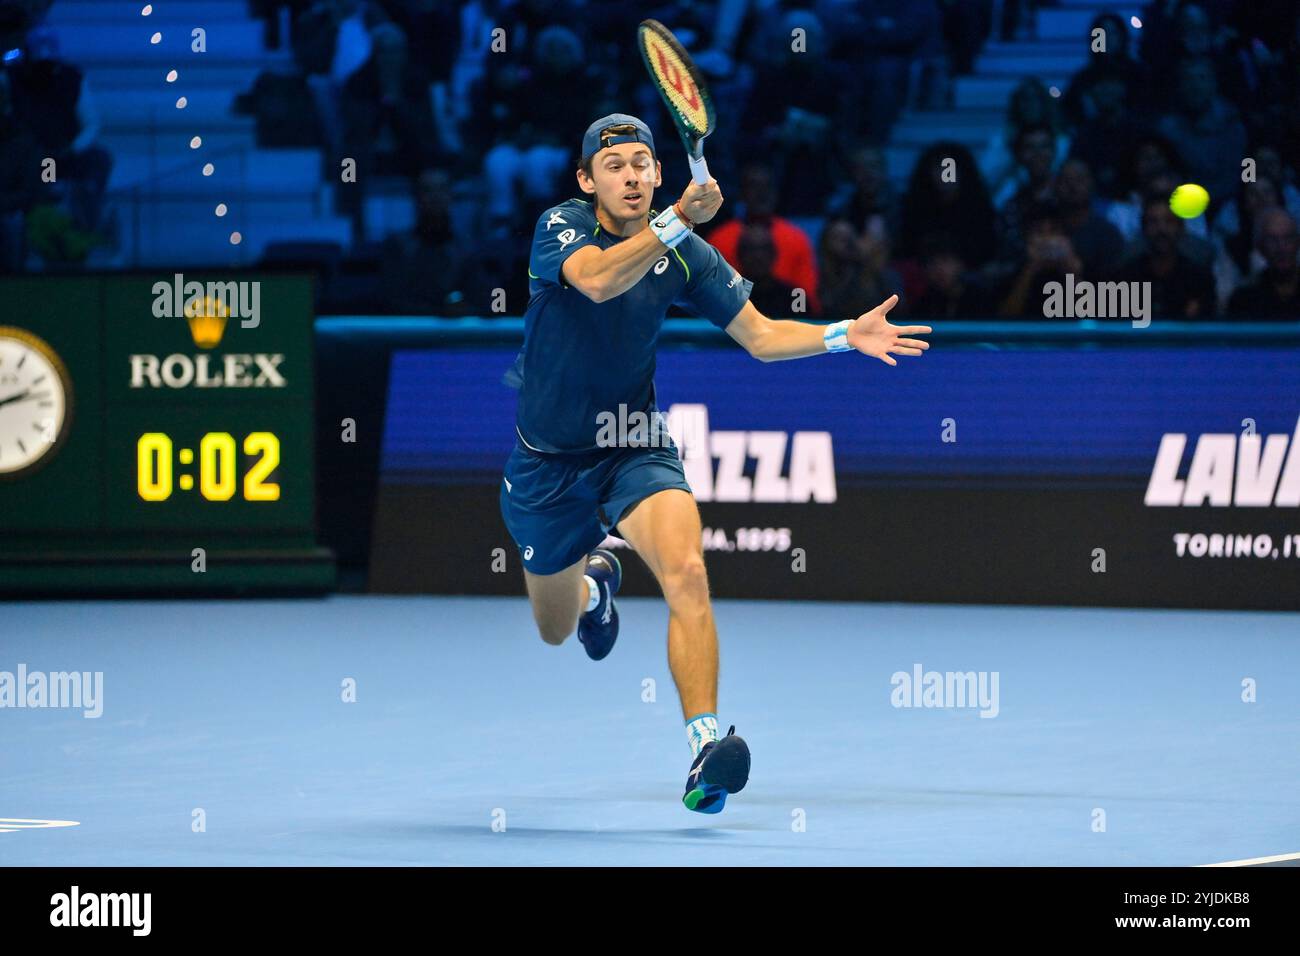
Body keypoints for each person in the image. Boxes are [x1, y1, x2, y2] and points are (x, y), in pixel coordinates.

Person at [501, 114, 930, 813]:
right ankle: (593, 591)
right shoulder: (562, 227)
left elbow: (760, 336)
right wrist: (674, 221)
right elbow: (601, 282)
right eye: (614, 166)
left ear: (658, 171)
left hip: (633, 441)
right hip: (546, 466)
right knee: (553, 628)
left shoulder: (686, 252)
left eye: (643, 162)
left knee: (688, 570)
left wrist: (844, 334)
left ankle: (704, 748)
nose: (632, 175)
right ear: (587, 181)